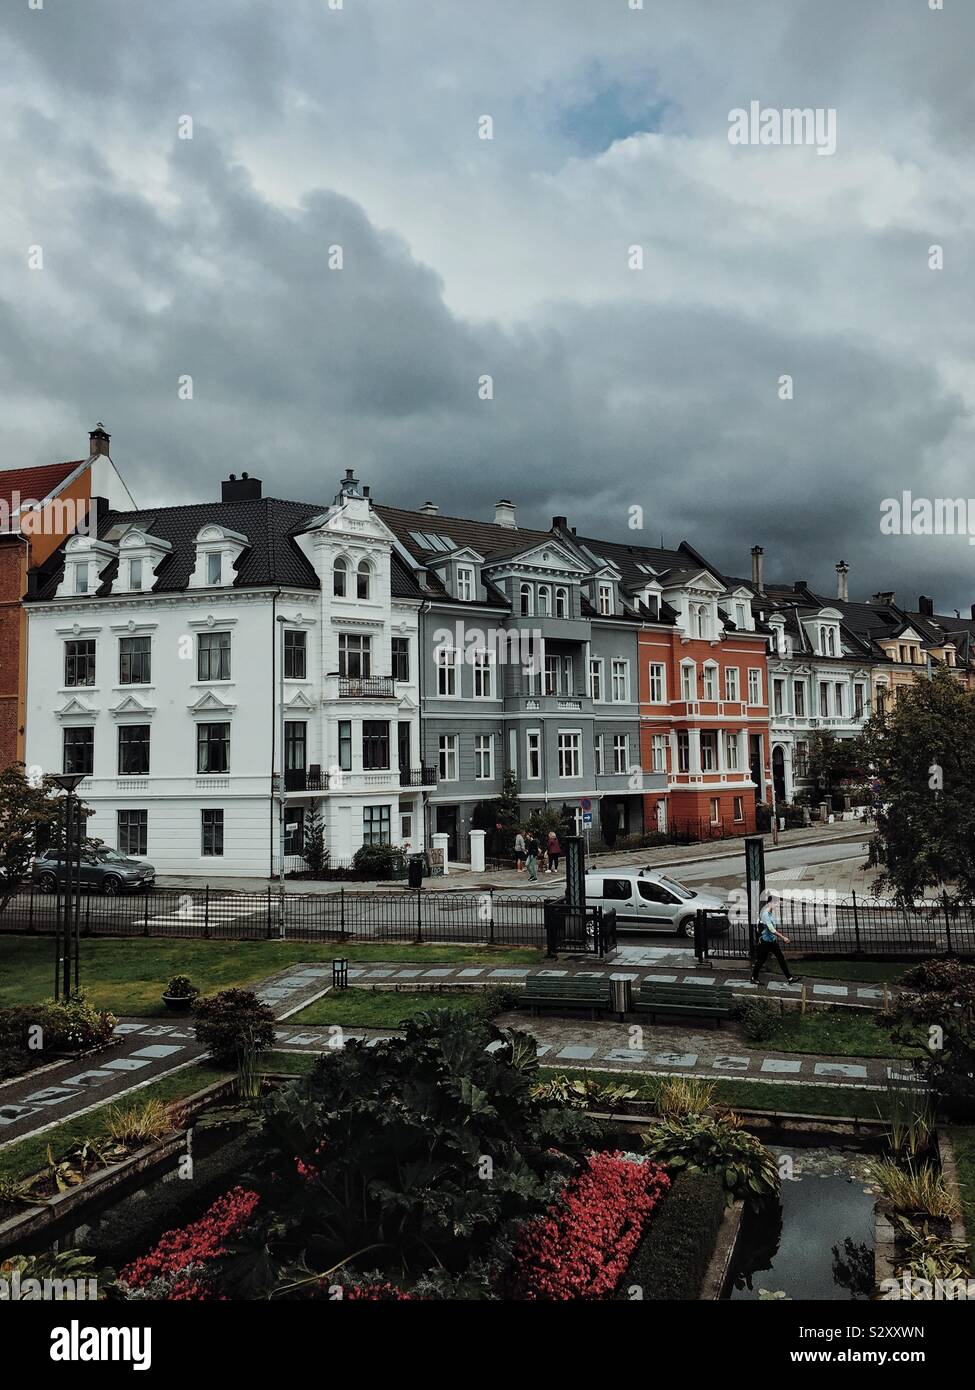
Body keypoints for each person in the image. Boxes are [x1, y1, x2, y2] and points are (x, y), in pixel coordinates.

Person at [752, 892, 799, 985]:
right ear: (770, 903)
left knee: (781, 958)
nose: (777, 905)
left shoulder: (771, 913)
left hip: (772, 941)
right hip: (765, 942)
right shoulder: (766, 914)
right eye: (776, 903)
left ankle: (790, 978)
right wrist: (783, 937)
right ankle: (754, 977)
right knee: (761, 961)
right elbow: (772, 929)